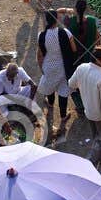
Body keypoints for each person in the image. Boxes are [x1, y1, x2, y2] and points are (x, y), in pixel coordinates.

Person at [69, 47, 101, 164]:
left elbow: (71, 83)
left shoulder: (81, 68)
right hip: (99, 114)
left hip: (88, 110)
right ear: (97, 60)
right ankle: (92, 161)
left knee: (95, 134)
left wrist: (84, 86)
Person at [35, 10, 75, 139]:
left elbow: (40, 54)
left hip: (49, 66)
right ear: (57, 19)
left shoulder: (41, 35)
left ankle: (50, 104)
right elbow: (73, 49)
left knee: (50, 86)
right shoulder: (65, 32)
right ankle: (63, 116)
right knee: (63, 91)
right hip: (63, 66)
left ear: (47, 20)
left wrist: (42, 67)